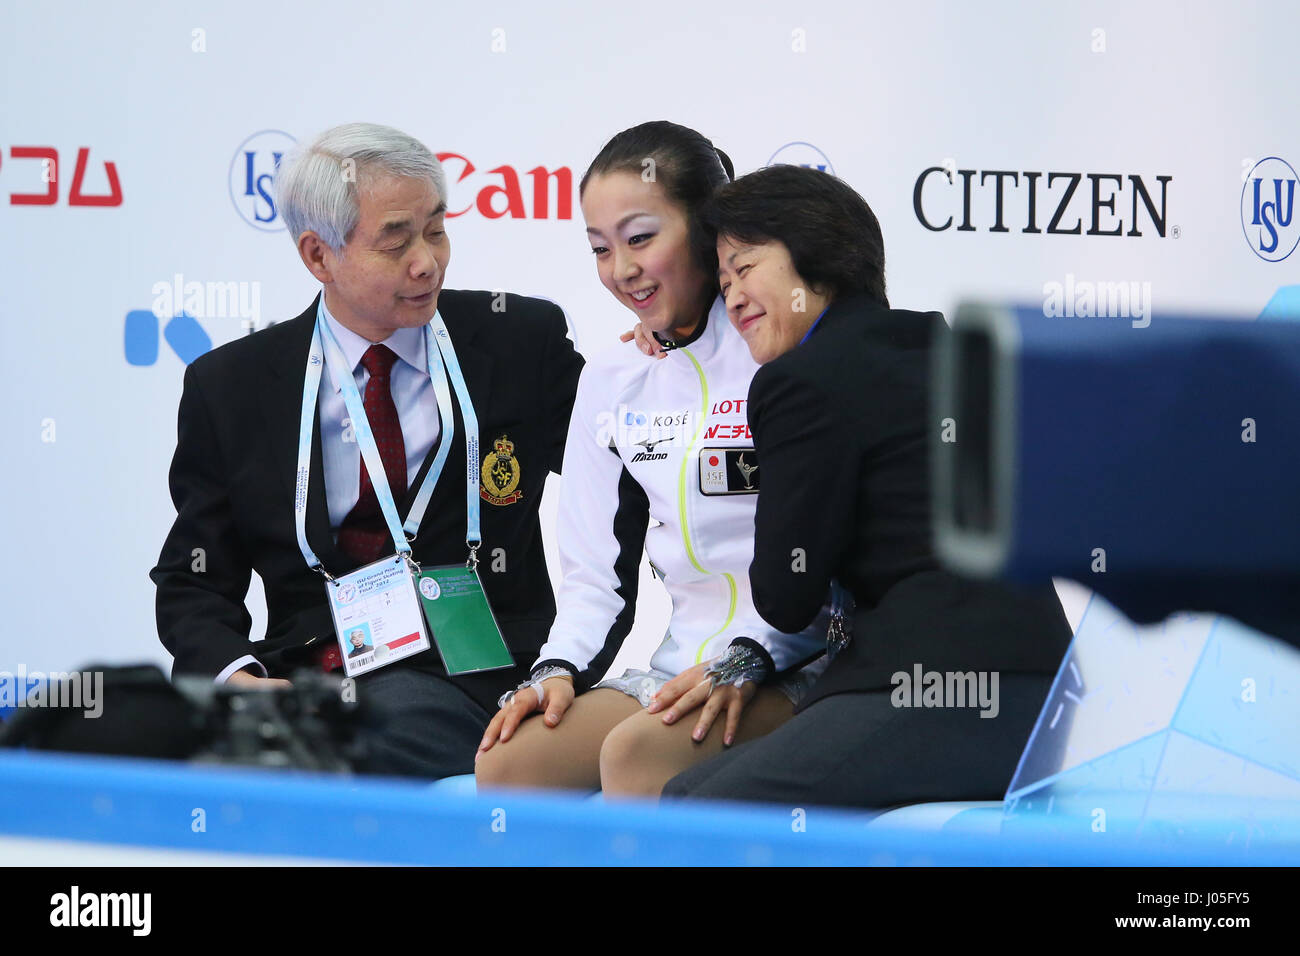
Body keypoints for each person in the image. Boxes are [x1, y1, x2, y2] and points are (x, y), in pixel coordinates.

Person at [150, 123, 584, 779]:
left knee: (357, 741)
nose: (427, 261)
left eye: (436, 229)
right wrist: (235, 675)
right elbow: (193, 580)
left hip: (467, 671)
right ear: (318, 256)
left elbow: (627, 482)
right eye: (396, 241)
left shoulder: (519, 342)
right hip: (310, 676)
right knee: (142, 733)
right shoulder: (232, 388)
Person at [658, 164, 1073, 809]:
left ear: (816, 255)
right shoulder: (944, 342)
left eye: (745, 267)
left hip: (934, 687)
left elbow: (786, 596)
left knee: (692, 809)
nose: (732, 295)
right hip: (1045, 688)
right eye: (722, 278)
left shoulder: (799, 381)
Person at [475, 123, 829, 798]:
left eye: (641, 238)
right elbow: (593, 582)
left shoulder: (782, 347)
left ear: (707, 228)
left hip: (792, 661)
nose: (621, 270)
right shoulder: (612, 376)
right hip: (677, 666)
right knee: (510, 762)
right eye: (601, 249)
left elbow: (824, 561)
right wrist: (553, 669)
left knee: (636, 756)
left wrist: (752, 657)